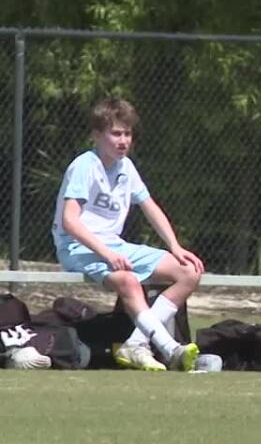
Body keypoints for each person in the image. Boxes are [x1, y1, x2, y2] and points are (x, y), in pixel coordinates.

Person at [53, 97, 204, 372]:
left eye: (128, 133)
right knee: (129, 281)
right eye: (115, 133)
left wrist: (175, 246)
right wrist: (107, 254)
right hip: (78, 248)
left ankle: (136, 344)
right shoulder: (84, 166)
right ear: (97, 135)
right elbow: (70, 222)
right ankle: (169, 348)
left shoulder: (127, 168)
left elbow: (150, 207)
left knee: (189, 272)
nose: (123, 141)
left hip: (114, 246)